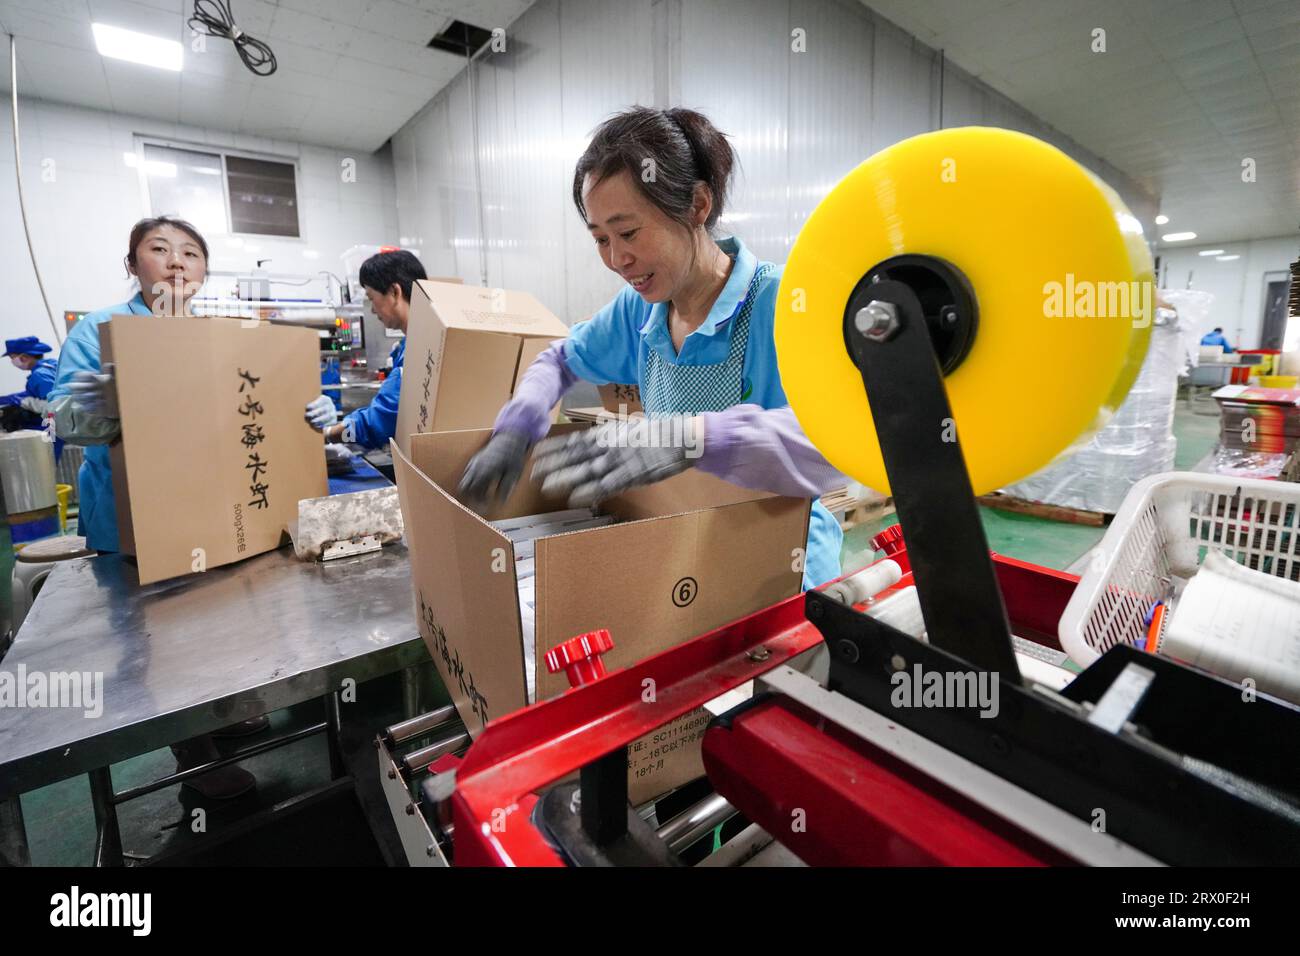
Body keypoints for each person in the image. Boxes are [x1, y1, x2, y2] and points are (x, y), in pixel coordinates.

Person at [459, 107, 844, 589]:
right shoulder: (639, 312)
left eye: (628, 232)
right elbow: (559, 359)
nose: (617, 259)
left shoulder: (781, 305)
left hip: (785, 565)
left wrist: (695, 439)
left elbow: (833, 446)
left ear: (697, 205)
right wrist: (519, 424)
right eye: (600, 239)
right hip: (685, 558)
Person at [45, 216, 262, 800]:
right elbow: (68, 421)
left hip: (209, 510)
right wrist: (102, 405)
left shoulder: (213, 335)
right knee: (154, 640)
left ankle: (224, 711)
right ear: (133, 263)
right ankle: (195, 756)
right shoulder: (102, 330)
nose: (175, 262)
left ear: (203, 271)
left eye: (190, 253)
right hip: (130, 516)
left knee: (216, 623)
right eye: (159, 250)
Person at [304, 249, 427, 448]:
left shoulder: (420, 348)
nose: (371, 309)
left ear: (395, 292)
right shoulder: (410, 345)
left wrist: (329, 434)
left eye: (371, 298)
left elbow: (375, 425)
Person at [0, 336, 58, 432]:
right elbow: (34, 393)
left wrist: (25, 402)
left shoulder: (40, 375)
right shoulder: (52, 365)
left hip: (55, 430)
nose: (12, 361)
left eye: (12, 357)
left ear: (23, 357)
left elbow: (55, 407)